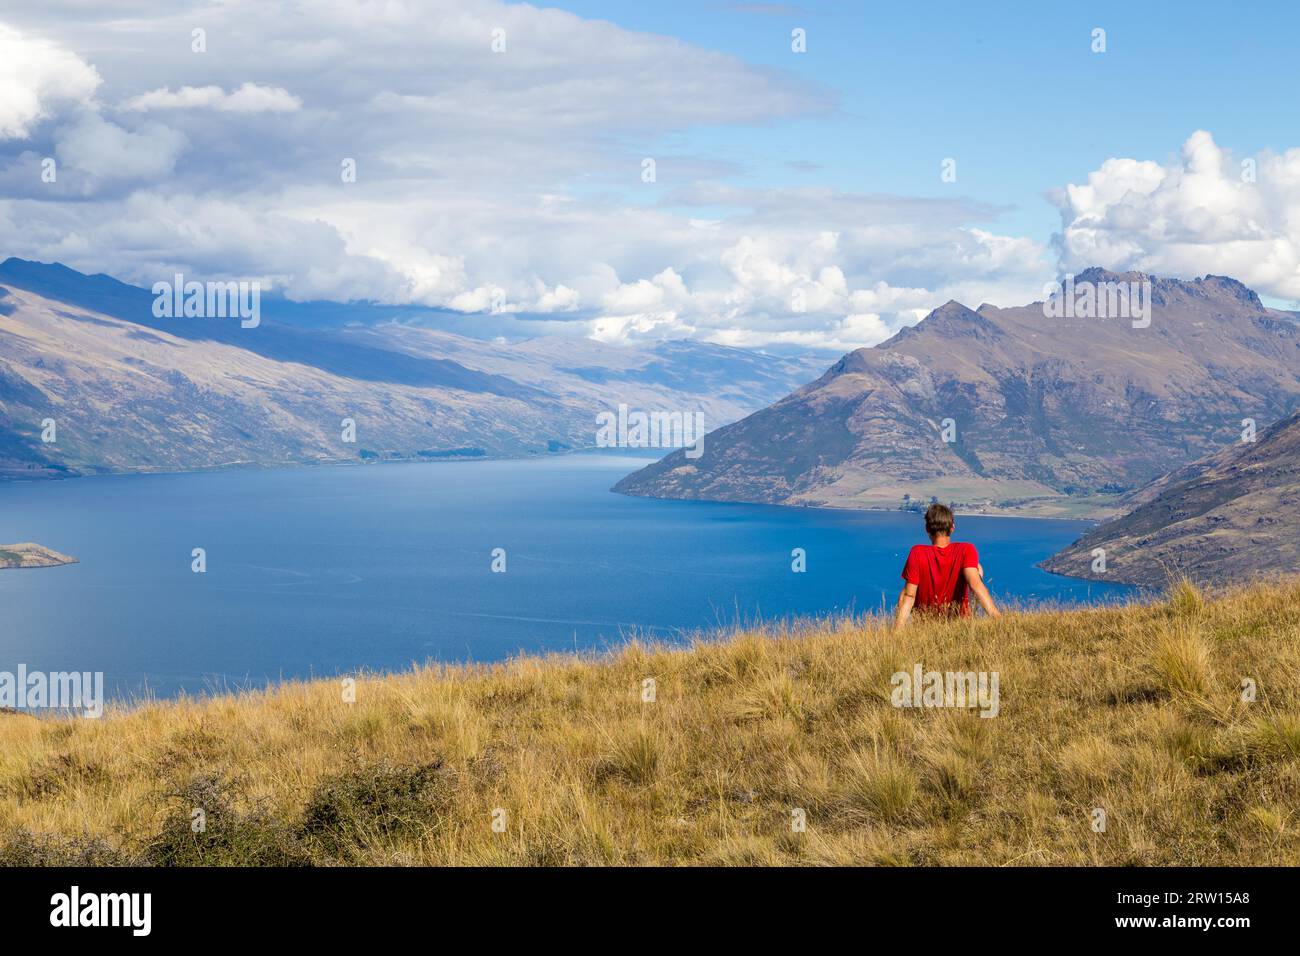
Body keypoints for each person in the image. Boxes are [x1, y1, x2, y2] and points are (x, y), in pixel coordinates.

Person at [893, 503, 1000, 630]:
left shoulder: (917, 552)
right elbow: (975, 585)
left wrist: (896, 632)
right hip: (960, 625)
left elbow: (908, 596)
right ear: (952, 528)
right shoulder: (966, 549)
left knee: (975, 567)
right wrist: (998, 619)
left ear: (927, 528)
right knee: (977, 568)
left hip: (924, 627)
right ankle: (971, 618)